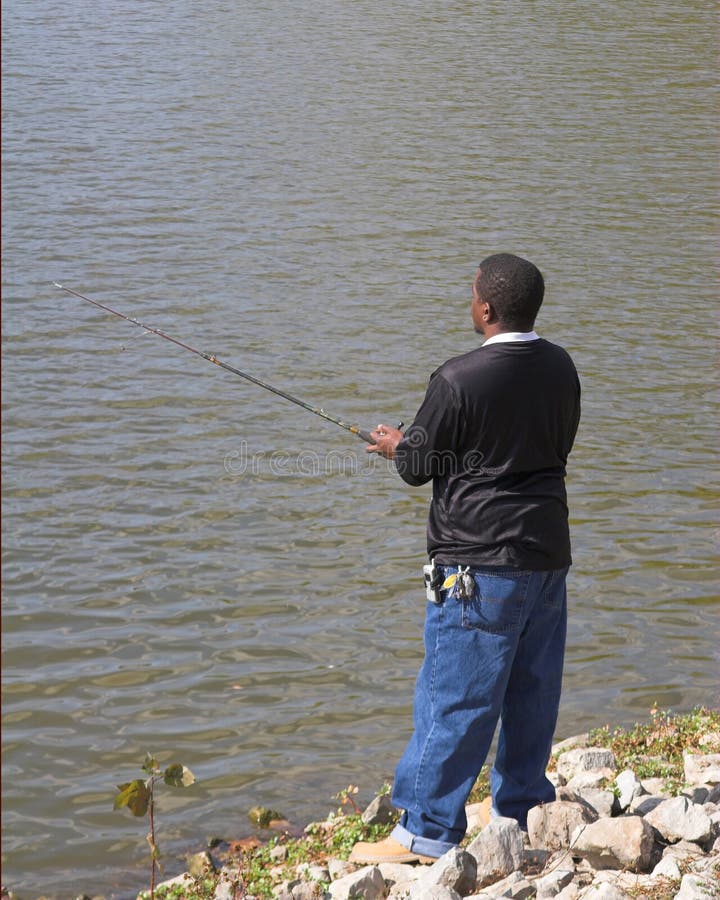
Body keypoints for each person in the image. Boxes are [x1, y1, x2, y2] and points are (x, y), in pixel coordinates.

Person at [350, 253, 581, 865]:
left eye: (472, 293)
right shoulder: (561, 366)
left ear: (486, 308)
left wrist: (398, 444)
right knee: (532, 687)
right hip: (547, 553)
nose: (469, 300)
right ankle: (521, 805)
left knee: (454, 693)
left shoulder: (458, 378)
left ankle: (426, 830)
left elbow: (416, 467)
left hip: (477, 565)